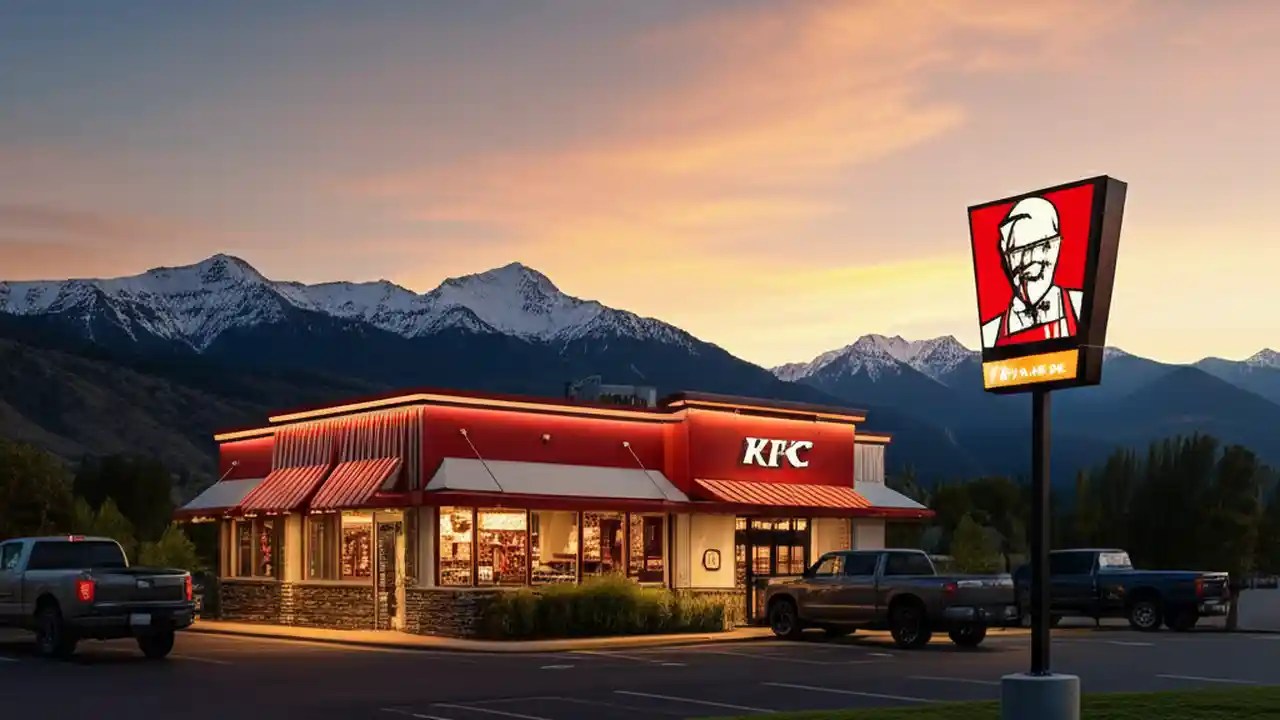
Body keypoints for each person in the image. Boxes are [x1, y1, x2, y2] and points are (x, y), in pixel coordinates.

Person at [980, 195, 1083, 349]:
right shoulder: (990, 334)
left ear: (1055, 248)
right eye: (1015, 251)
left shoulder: (1080, 306)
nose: (1024, 260)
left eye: (1037, 246)